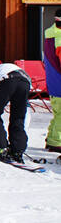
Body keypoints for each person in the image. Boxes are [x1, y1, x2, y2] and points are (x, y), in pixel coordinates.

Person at [43, 15, 61, 152]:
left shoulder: (51, 35)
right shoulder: (59, 39)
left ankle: (52, 139)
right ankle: (55, 142)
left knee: (58, 114)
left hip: (54, 83)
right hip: (59, 83)